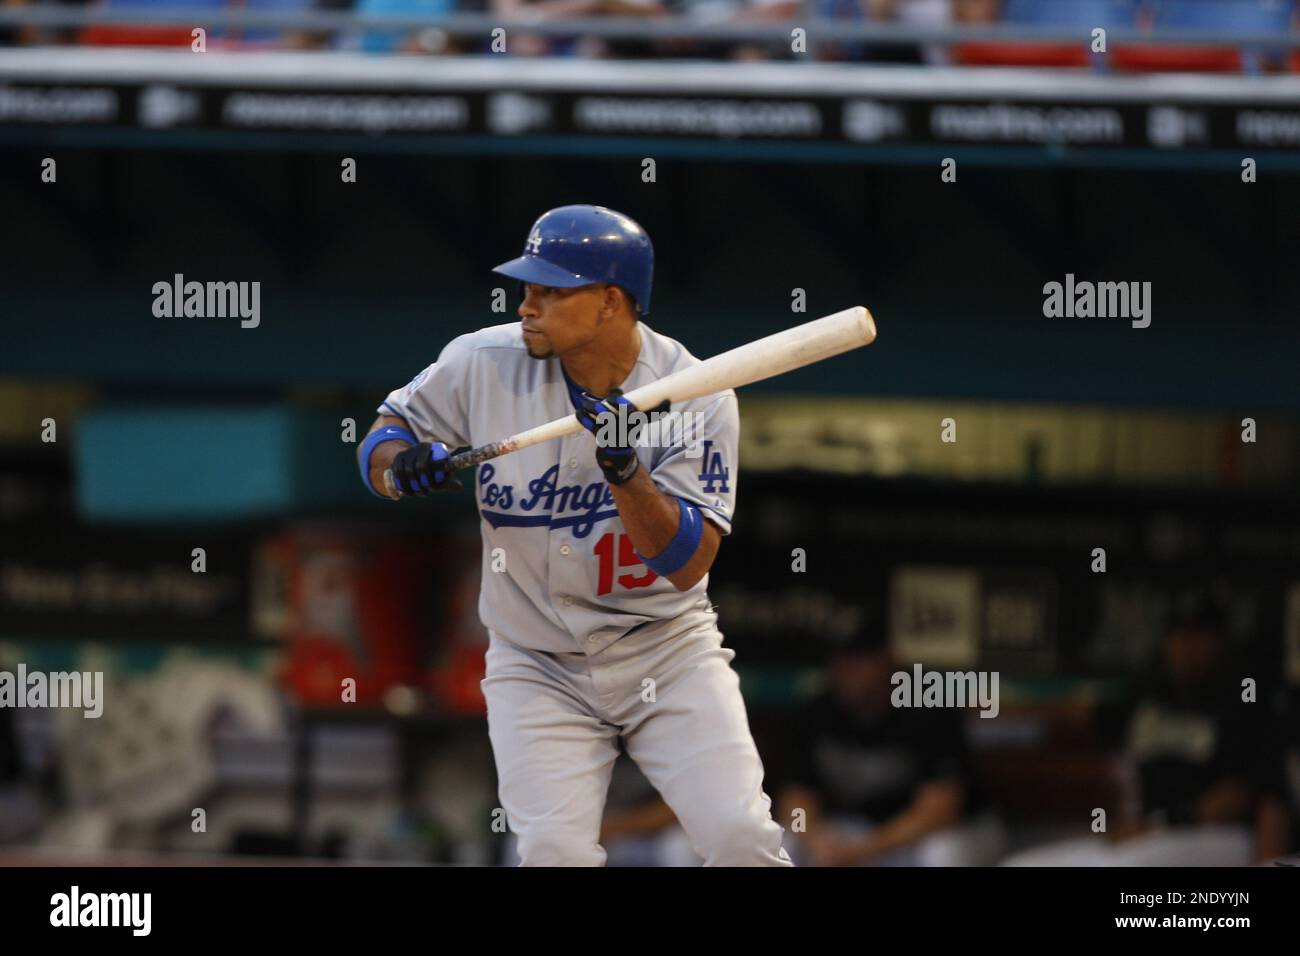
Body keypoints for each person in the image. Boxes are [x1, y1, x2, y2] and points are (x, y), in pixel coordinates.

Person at [357, 204, 791, 866]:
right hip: (536, 662)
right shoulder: (480, 361)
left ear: (611, 302)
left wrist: (623, 468)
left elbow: (686, 561)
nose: (526, 306)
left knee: (742, 839)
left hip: (665, 654)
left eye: (549, 291)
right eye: (526, 288)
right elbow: (384, 439)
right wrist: (400, 470)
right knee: (552, 853)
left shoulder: (696, 393)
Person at [1003, 592, 1273, 866]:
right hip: (1149, 832)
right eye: (1178, 635)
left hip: (1219, 835)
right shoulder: (1147, 696)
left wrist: (1162, 824)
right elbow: (1075, 714)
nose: (1186, 646)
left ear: (1219, 641)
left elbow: (1240, 795)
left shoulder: (1242, 702)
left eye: (1198, 635)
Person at [778, 630, 1006, 866]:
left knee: (943, 854)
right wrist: (813, 836)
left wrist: (861, 850)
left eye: (857, 662)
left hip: (932, 833)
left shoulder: (927, 708)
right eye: (840, 663)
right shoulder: (818, 712)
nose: (846, 673)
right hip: (857, 830)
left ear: (886, 660)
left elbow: (938, 812)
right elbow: (796, 801)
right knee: (782, 842)